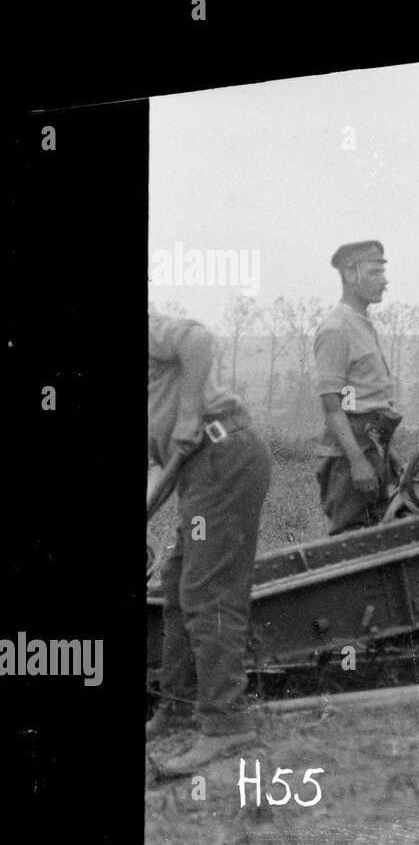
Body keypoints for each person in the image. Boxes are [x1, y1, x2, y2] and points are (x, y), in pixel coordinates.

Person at [147, 309, 271, 776]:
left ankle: (228, 726)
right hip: (199, 471)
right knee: (177, 585)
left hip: (223, 455)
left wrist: (186, 415)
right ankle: (178, 707)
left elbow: (198, 338)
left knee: (207, 592)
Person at [313, 240, 403, 534]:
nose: (385, 281)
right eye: (375, 272)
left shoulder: (361, 322)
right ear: (351, 275)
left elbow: (369, 398)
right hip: (349, 454)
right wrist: (357, 461)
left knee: (379, 537)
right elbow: (332, 404)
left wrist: (382, 456)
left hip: (372, 446)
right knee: (350, 542)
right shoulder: (336, 328)